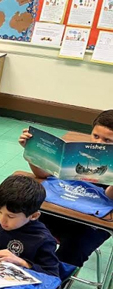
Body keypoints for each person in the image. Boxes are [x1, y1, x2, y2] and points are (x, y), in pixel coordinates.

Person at [18, 110, 113, 268]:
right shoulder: (78, 154)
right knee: (21, 223)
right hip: (60, 206)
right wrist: (32, 152)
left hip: (92, 222)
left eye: (108, 140)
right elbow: (42, 174)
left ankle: (51, 282)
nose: (99, 143)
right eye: (96, 136)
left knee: (75, 248)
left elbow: (109, 198)